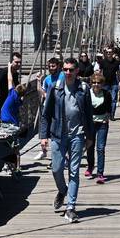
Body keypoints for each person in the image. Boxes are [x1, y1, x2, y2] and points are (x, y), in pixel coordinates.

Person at [38, 57, 94, 224]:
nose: (68, 72)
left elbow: (89, 115)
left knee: (74, 171)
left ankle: (70, 207)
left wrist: (90, 137)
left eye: (71, 70)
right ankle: (62, 191)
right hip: (57, 134)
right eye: (65, 69)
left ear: (77, 71)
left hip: (77, 135)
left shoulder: (84, 89)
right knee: (56, 168)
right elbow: (46, 113)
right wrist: (43, 136)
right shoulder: (56, 89)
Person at [84, 71, 112, 182]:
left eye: (98, 82)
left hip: (102, 123)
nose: (96, 84)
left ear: (102, 84)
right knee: (90, 146)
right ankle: (90, 167)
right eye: (94, 82)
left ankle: (100, 173)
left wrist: (107, 117)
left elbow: (109, 108)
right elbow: (84, 108)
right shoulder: (87, 93)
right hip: (90, 123)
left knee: (100, 148)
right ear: (91, 83)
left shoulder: (107, 94)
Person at [98, 46, 120, 118]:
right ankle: (106, 112)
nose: (108, 53)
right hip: (105, 83)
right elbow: (100, 72)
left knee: (114, 99)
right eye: (107, 52)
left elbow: (118, 73)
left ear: (112, 53)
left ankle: (112, 115)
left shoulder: (116, 62)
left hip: (114, 82)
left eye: (110, 52)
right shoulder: (102, 62)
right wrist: (99, 81)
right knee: (105, 98)